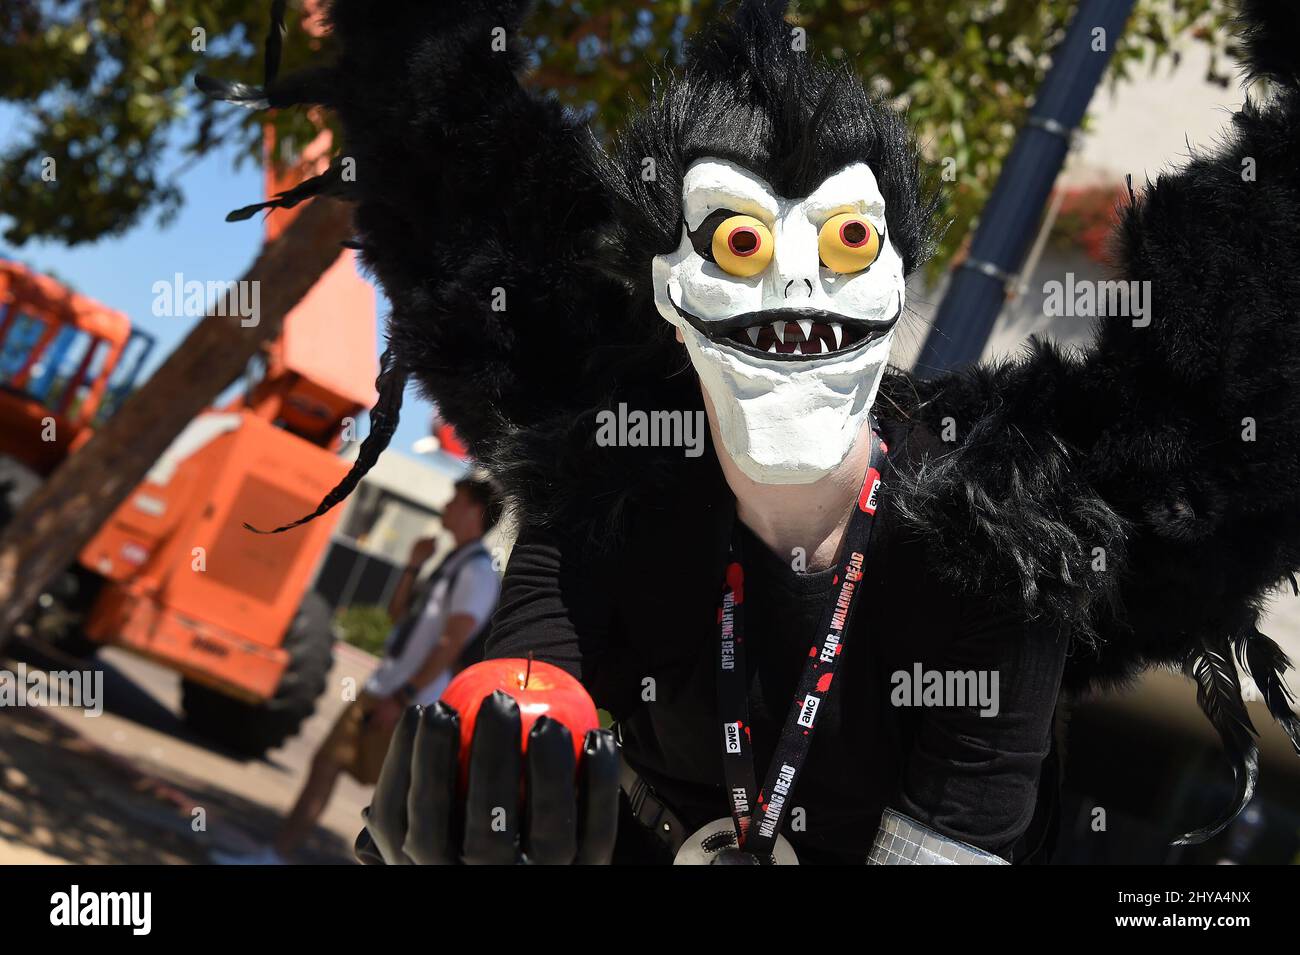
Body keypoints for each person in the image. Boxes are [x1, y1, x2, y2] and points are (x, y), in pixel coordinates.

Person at [207, 0, 1300, 865]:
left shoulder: (1001, 536)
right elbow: (524, 707)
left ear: (895, 280)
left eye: (845, 237)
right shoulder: (610, 491)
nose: (791, 271)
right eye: (735, 239)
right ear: (668, 293)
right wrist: (478, 801)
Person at [212, 477, 502, 865]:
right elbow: (399, 618)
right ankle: (275, 856)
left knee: (397, 803)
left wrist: (403, 698)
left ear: (475, 512)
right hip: (386, 689)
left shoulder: (477, 572)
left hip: (411, 703)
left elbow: (452, 643)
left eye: (456, 499)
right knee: (326, 764)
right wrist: (413, 566)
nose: (447, 505)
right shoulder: (451, 563)